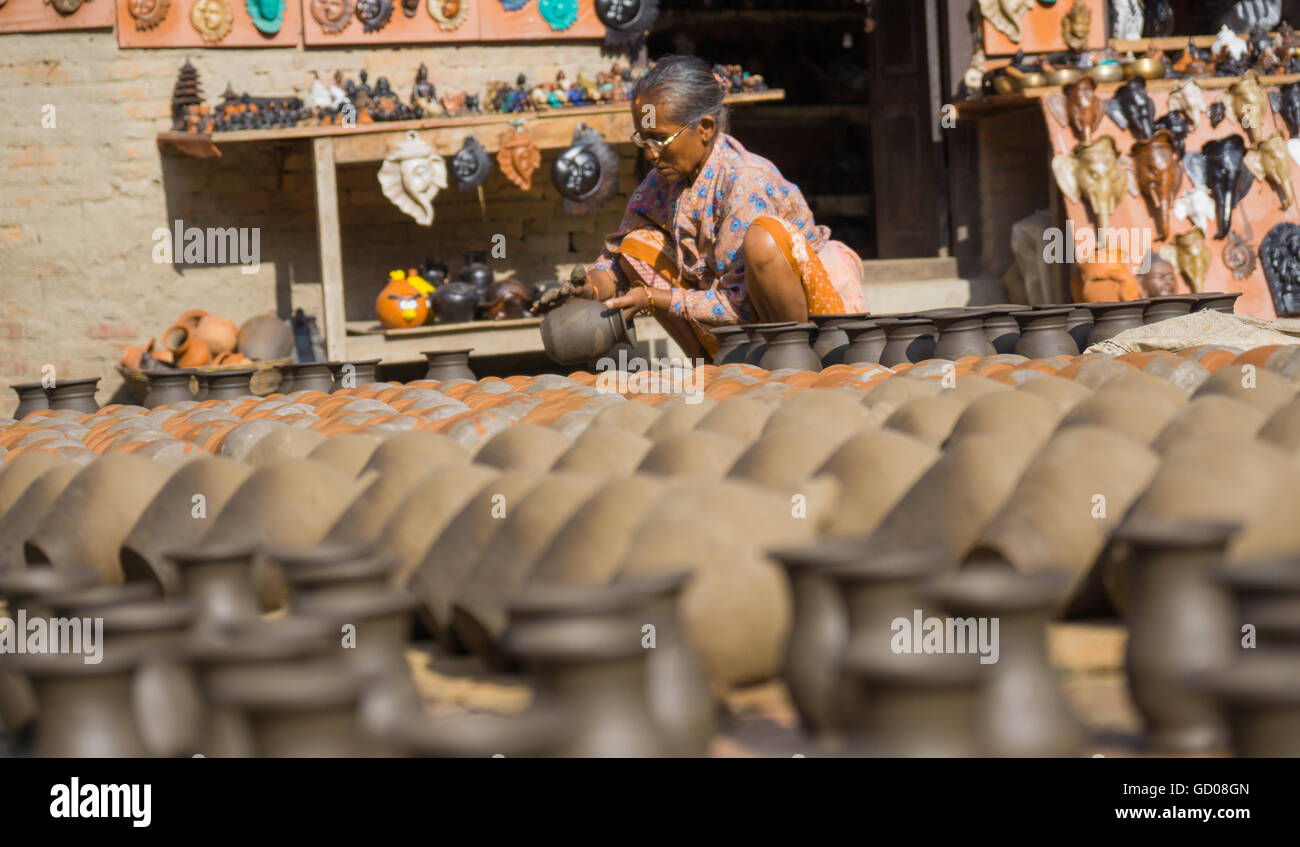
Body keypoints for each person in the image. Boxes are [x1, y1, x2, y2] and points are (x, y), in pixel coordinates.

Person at [537, 55, 867, 360]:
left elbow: (739, 303)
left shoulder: (745, 180)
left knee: (764, 241)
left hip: (814, 325)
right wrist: (592, 287)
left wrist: (654, 298)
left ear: (705, 129)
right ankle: (711, 363)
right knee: (636, 245)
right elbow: (616, 262)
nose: (650, 154)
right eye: (642, 140)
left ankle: (796, 361)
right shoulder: (662, 182)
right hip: (740, 323)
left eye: (659, 139)